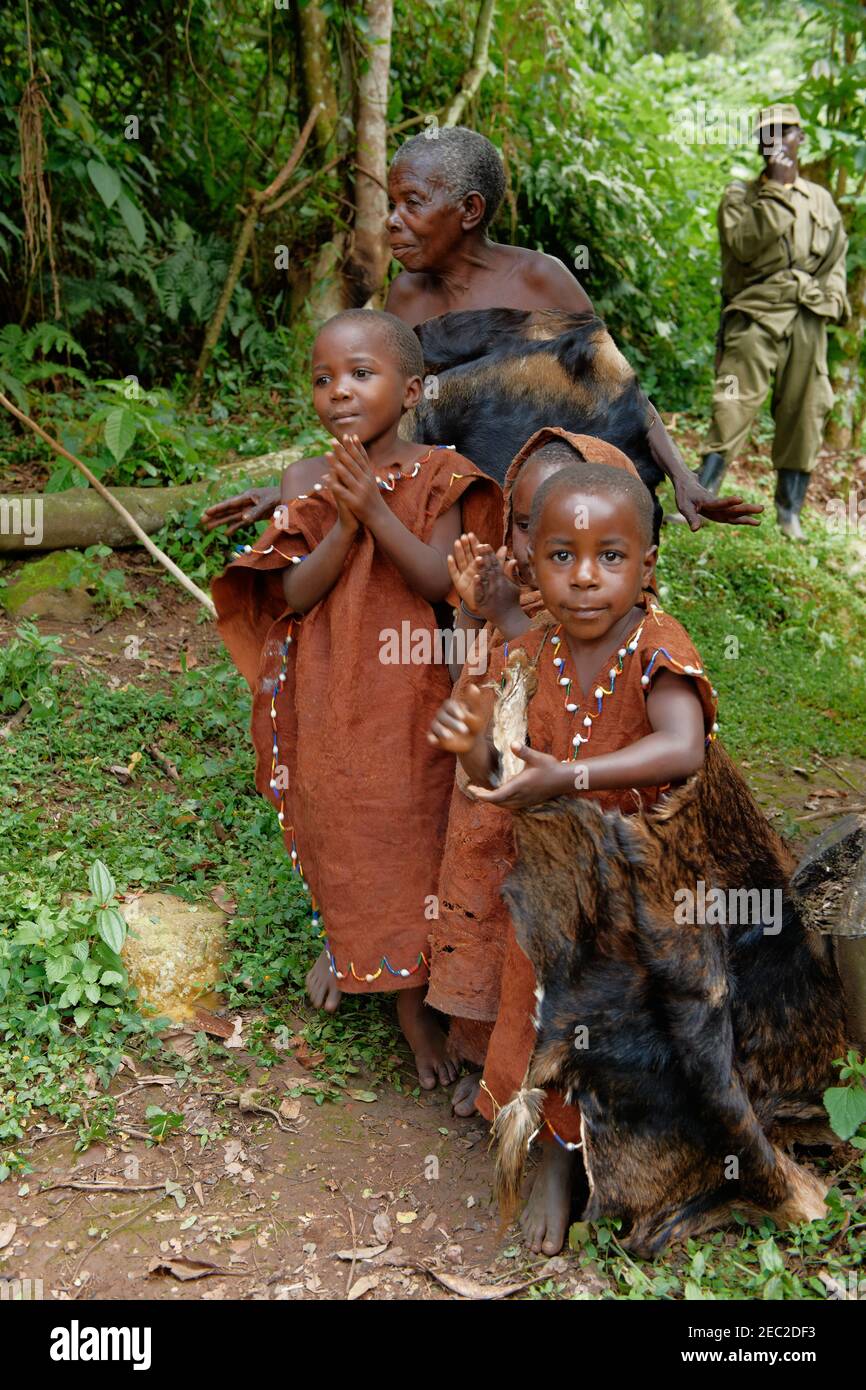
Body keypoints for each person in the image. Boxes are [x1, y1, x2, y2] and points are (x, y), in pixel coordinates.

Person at [201, 127, 761, 538]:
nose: (393, 219)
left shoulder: (539, 279)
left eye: (412, 203)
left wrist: (683, 477)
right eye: (392, 204)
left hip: (550, 510)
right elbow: (393, 417)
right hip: (459, 513)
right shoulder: (406, 297)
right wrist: (300, 488)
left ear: (469, 210)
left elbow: (617, 388)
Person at [428, 458, 717, 1253]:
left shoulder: (656, 647)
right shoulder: (532, 656)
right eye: (562, 557)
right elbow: (506, 775)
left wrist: (575, 775)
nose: (585, 579)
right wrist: (475, 751)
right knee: (552, 1027)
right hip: (554, 896)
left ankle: (639, 1166)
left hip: (641, 895)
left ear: (647, 565)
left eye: (611, 558)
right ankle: (556, 1159)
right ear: (530, 565)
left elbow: (682, 745)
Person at [211, 309, 502, 1089]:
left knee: (414, 820)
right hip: (330, 685)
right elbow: (296, 593)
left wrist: (376, 510)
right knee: (339, 816)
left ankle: (419, 989)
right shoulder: (306, 481)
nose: (339, 391)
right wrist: (342, 522)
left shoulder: (441, 472)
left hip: (410, 684)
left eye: (360, 375)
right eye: (322, 378)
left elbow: (439, 580)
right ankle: (375, 972)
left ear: (410, 390)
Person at [427, 427, 641, 1116]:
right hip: (494, 793)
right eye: (523, 524)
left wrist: (501, 609)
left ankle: (545, 1084)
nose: (531, 543)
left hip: (571, 820)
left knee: (543, 946)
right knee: (486, 912)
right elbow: (478, 669)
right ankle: (483, 1052)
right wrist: (469, 607)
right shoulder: (512, 592)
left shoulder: (617, 620)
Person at [697, 103, 849, 540]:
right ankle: (704, 494)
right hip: (756, 311)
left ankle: (789, 512)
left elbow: (836, 257)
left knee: (807, 409)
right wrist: (778, 191)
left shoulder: (821, 200)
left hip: (808, 314)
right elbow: (744, 247)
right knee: (733, 402)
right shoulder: (739, 196)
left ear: (800, 140)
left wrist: (832, 298)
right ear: (760, 146)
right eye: (769, 135)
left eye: (787, 133)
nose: (779, 142)